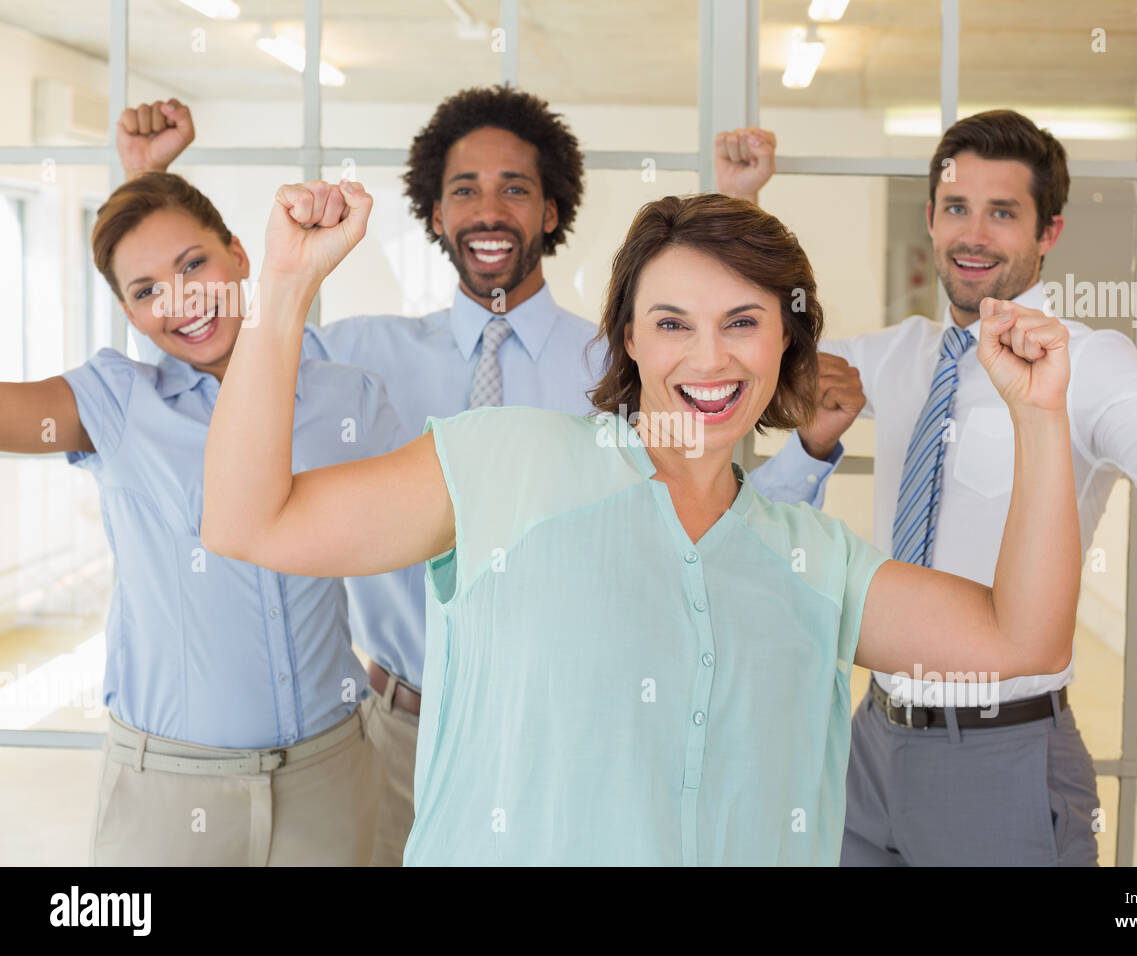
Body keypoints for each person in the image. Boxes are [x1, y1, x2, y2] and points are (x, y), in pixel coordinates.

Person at [200, 178, 1083, 865]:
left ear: (787, 339)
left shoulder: (815, 561)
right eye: (672, 324)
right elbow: (250, 523)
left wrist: (1040, 415)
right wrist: (286, 286)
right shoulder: (503, 462)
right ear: (628, 337)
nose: (709, 357)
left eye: (743, 322)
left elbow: (1024, 638)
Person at [132, 87, 786, 864]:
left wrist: (737, 216)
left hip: (570, 729)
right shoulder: (352, 354)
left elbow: (710, 496)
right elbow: (212, 356)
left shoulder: (627, 364)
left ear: (551, 210)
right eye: (465, 191)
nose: (489, 210)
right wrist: (147, 186)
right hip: (397, 730)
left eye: (516, 188)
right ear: (436, 214)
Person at [754, 110, 1137, 865]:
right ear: (931, 219)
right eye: (956, 208)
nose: (973, 235)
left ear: (1048, 233)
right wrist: (740, 203)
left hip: (1002, 756)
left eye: (1002, 212)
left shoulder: (1090, 365)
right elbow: (752, 354)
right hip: (870, 744)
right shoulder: (896, 355)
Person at [0, 100, 402, 865]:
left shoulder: (346, 396)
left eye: (194, 265)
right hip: (169, 791)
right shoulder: (118, 404)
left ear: (241, 254)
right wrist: (144, 183)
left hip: (330, 775)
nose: (180, 300)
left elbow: (410, 544)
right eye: (146, 290)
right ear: (128, 313)